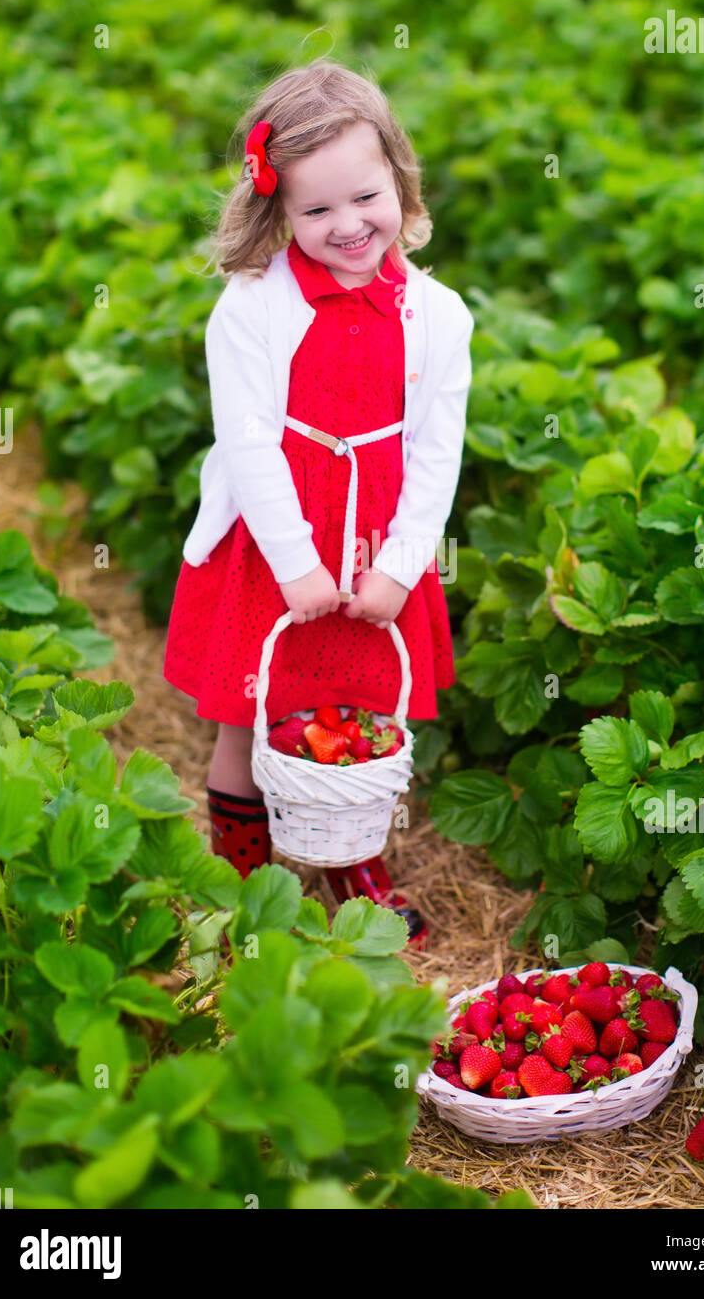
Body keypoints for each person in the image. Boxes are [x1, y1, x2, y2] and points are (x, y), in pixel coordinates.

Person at [163, 58, 475, 947]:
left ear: (399, 182)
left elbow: (436, 452)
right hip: (274, 540)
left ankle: (352, 869)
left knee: (359, 705)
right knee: (248, 709)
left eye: (365, 198)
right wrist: (296, 562)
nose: (347, 226)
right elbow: (249, 442)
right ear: (278, 210)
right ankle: (242, 885)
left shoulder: (438, 315)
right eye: (316, 210)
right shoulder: (252, 307)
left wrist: (400, 565)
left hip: (374, 533)